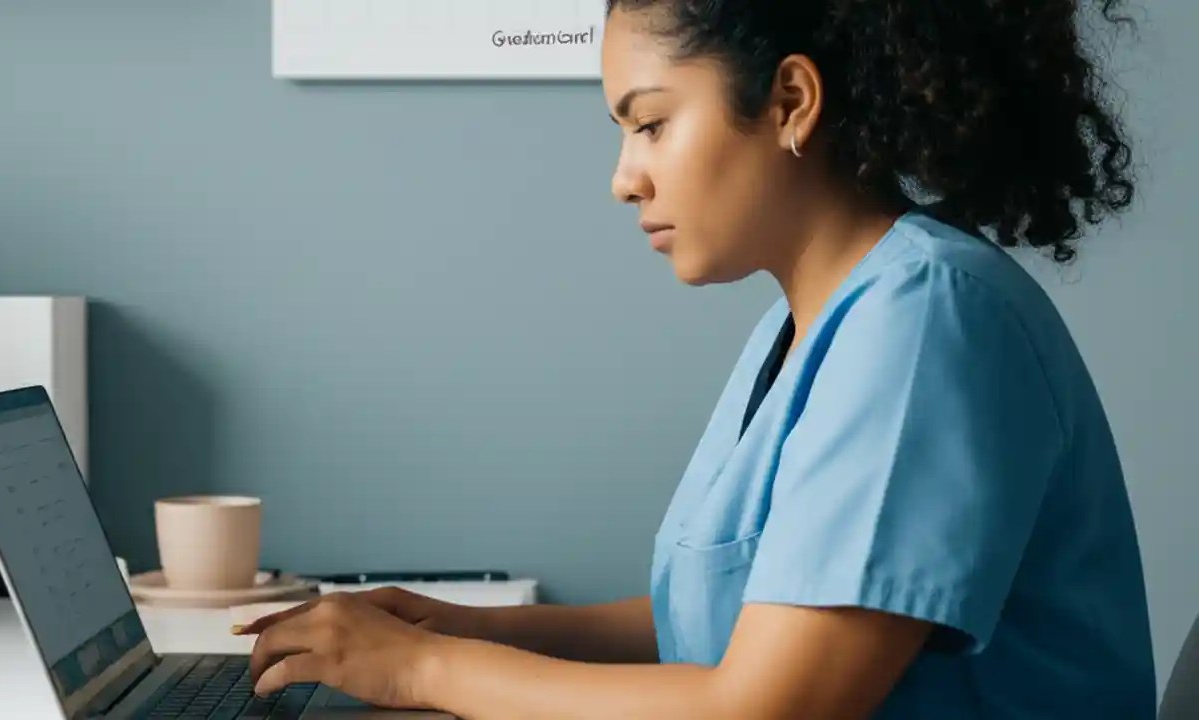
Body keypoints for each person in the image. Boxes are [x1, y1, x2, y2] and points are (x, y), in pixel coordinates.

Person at [237, 1, 1157, 717]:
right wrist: (469, 629)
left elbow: (770, 706)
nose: (622, 175)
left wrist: (424, 668)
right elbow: (735, 625)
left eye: (650, 124)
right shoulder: (810, 323)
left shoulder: (927, 319)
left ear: (791, 102)